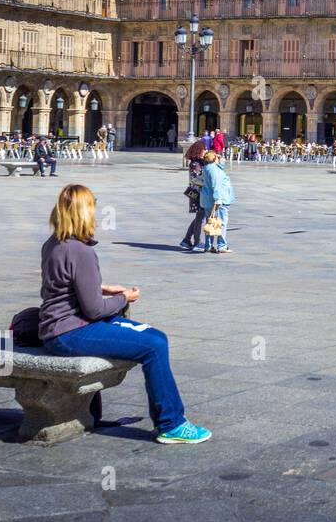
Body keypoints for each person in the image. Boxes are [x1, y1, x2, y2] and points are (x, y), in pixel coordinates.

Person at [38, 184, 211, 444]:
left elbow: (63, 284)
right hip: (70, 331)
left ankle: (90, 414)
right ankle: (171, 423)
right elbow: (94, 309)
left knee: (145, 335)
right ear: (85, 212)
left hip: (55, 326)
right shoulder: (81, 251)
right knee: (154, 343)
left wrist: (102, 288)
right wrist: (123, 298)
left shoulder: (54, 243)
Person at [199, 150, 235, 253]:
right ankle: (222, 245)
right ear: (214, 159)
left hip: (208, 200)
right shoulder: (214, 170)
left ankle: (208, 245)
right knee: (221, 223)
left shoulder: (208, 168)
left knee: (210, 222)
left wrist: (221, 160)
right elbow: (216, 185)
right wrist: (218, 199)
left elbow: (220, 169)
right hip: (218, 200)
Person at [179, 140, 208, 251]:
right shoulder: (195, 164)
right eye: (204, 149)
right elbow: (196, 179)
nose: (205, 151)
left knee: (199, 217)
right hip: (197, 194)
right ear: (199, 150)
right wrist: (207, 181)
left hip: (200, 193)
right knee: (200, 218)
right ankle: (197, 242)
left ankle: (186, 240)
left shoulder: (200, 162)